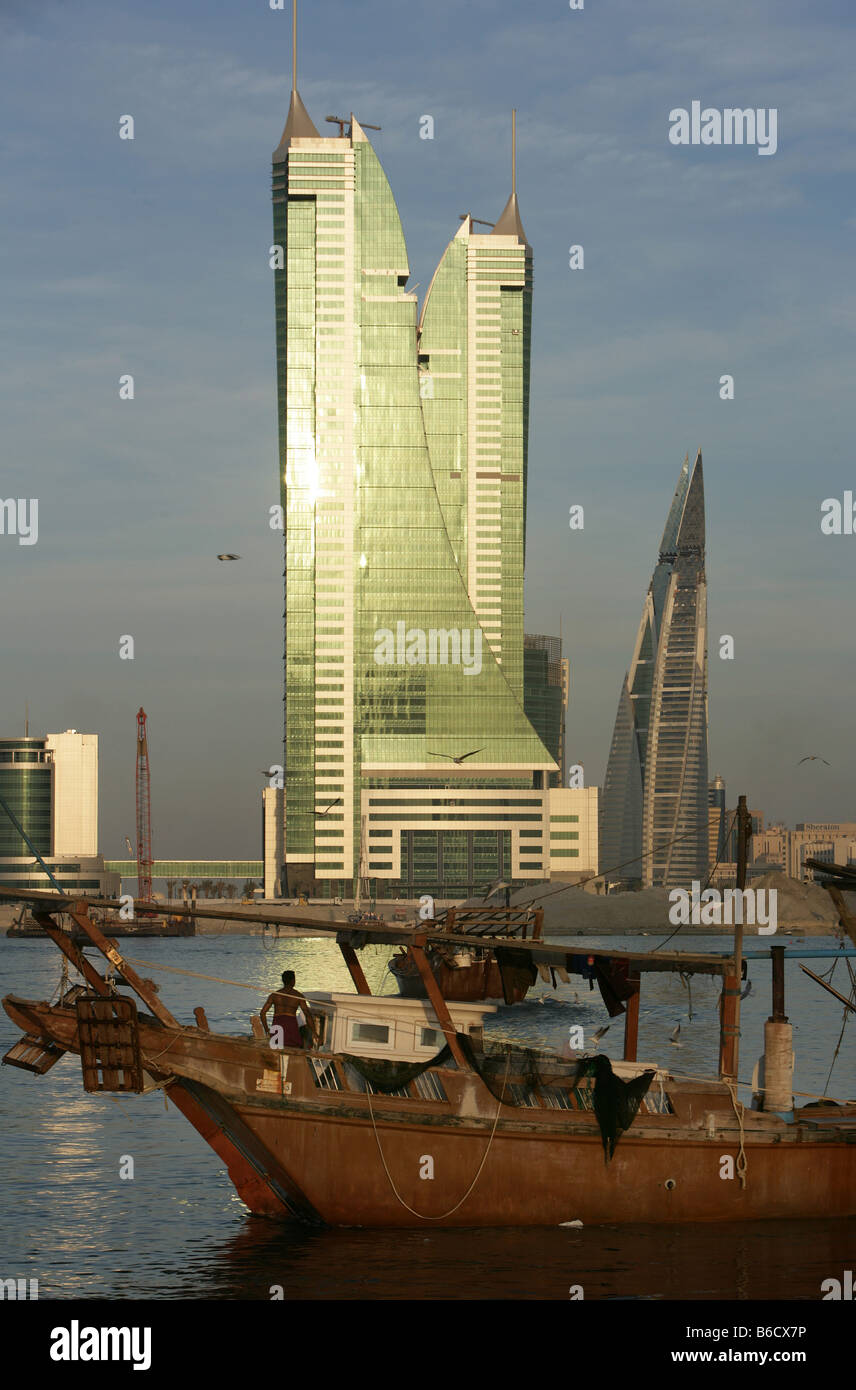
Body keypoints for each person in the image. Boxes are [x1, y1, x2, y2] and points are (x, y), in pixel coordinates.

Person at [260, 970, 316, 1049]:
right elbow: (307, 1015)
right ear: (293, 981)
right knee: (294, 1047)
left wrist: (266, 1030)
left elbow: (262, 1013)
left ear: (283, 981)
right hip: (290, 1025)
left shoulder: (274, 995)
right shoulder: (298, 996)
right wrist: (314, 1032)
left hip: (277, 1024)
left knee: (276, 1048)